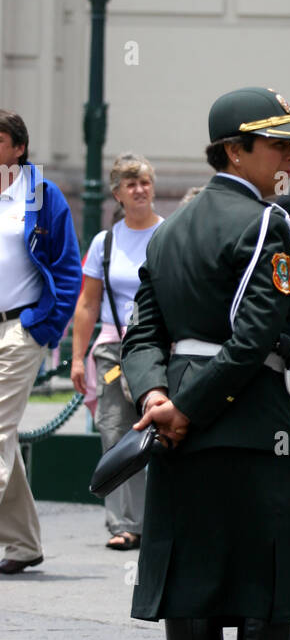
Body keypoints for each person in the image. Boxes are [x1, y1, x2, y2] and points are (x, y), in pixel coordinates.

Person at [122, 87, 290, 640]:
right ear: (235, 149)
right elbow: (258, 334)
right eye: (278, 143)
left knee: (193, 576)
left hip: (179, 426)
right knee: (264, 578)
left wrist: (157, 395)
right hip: (250, 422)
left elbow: (142, 330)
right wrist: (190, 406)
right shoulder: (270, 226)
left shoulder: (169, 229)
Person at [0, 111, 80, 575]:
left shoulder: (39, 194)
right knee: (4, 433)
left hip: (20, 329)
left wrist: (41, 327)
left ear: (18, 149)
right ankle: (25, 544)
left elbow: (68, 270)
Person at [71, 155, 163, 550]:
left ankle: (159, 519)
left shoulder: (169, 233)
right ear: (117, 194)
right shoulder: (104, 241)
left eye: (144, 181)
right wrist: (77, 356)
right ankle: (123, 524)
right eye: (130, 184)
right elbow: (88, 304)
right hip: (112, 349)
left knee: (161, 432)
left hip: (161, 345)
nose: (139, 189)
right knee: (115, 432)